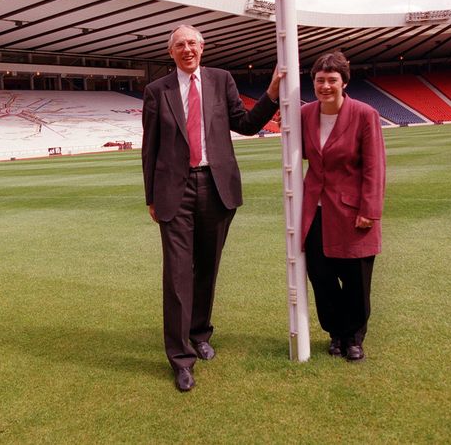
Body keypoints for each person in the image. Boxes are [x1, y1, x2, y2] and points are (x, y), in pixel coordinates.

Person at [141, 24, 281, 391]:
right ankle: (180, 358)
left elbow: (246, 124)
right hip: (176, 189)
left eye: (192, 43)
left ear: (202, 48)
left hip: (217, 187)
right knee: (176, 275)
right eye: (179, 45)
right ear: (170, 53)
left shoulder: (221, 80)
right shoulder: (157, 91)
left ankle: (200, 333)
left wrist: (272, 94)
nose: (187, 49)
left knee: (207, 267)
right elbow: (149, 147)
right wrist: (151, 197)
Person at [300, 51, 386, 362]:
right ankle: (335, 332)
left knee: (355, 280)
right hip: (315, 211)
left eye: (331, 80)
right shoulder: (305, 113)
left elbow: (374, 167)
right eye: (319, 80)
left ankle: (353, 337)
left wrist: (370, 210)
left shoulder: (364, 114)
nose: (325, 86)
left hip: (352, 211)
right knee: (321, 277)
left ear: (344, 82)